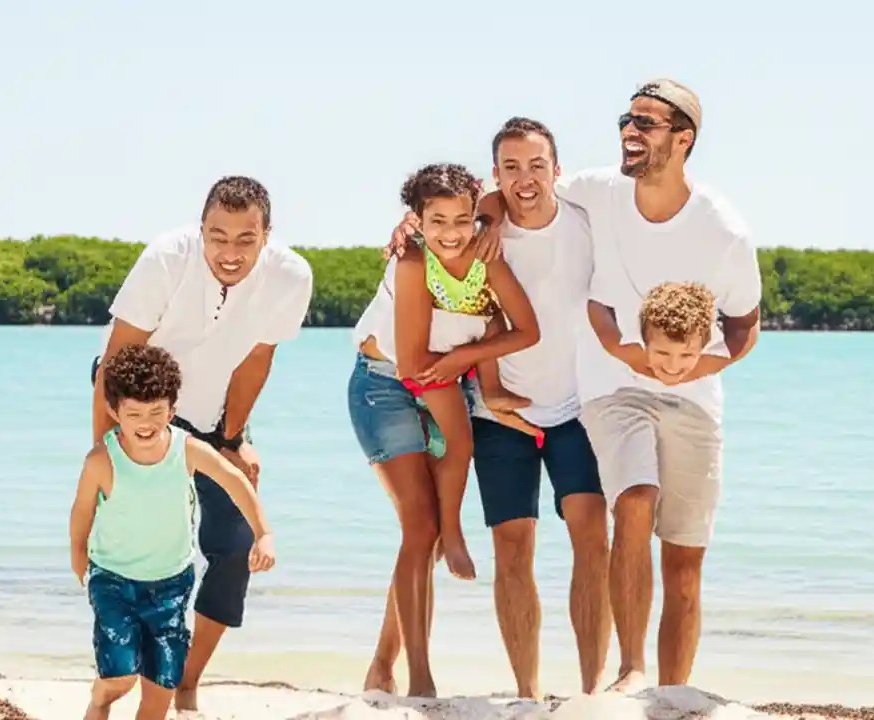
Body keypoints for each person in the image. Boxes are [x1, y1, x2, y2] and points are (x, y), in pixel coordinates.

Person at [479, 80, 763, 693]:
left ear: (683, 139)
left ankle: (671, 692)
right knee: (633, 502)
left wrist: (700, 368)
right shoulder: (597, 190)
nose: (630, 133)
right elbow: (512, 189)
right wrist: (469, 217)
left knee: (684, 560)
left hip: (694, 400)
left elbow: (745, 326)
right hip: (612, 391)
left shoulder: (724, 229)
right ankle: (630, 670)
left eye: (647, 124)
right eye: (626, 120)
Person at [385, 118, 611, 698]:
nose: (524, 178)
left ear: (557, 170)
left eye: (536, 165)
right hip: (497, 414)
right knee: (513, 547)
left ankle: (591, 692)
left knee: (591, 534)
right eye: (510, 167)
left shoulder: (586, 222)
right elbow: (441, 225)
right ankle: (528, 695)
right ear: (496, 175)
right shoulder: (480, 232)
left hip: (574, 409)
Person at [91, 175, 313, 711]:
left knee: (235, 548)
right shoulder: (167, 259)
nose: (229, 252)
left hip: (215, 414)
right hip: (141, 407)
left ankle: (185, 679)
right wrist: (108, 457)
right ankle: (120, 676)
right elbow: (116, 363)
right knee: (135, 548)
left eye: (245, 239)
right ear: (201, 229)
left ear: (268, 235)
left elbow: (258, 359)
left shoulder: (290, 276)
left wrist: (235, 437)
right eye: (218, 236)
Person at [350, 162, 540, 697]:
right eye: (438, 221)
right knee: (419, 528)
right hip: (387, 379)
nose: (452, 232)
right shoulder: (411, 259)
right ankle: (420, 678)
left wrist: (471, 356)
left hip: (445, 370)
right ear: (416, 219)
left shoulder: (484, 251)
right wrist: (470, 361)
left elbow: (525, 328)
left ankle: (383, 665)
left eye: (463, 219)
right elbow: (410, 362)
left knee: (437, 508)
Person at [70, 343, 277, 720]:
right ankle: (99, 699)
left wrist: (263, 533)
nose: (145, 422)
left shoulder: (188, 450)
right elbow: (82, 511)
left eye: (156, 412)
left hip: (170, 585)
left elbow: (234, 481)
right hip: (113, 581)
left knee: (160, 691)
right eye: (133, 413)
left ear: (173, 410)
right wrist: (77, 555)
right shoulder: (102, 460)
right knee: (120, 677)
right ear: (114, 412)